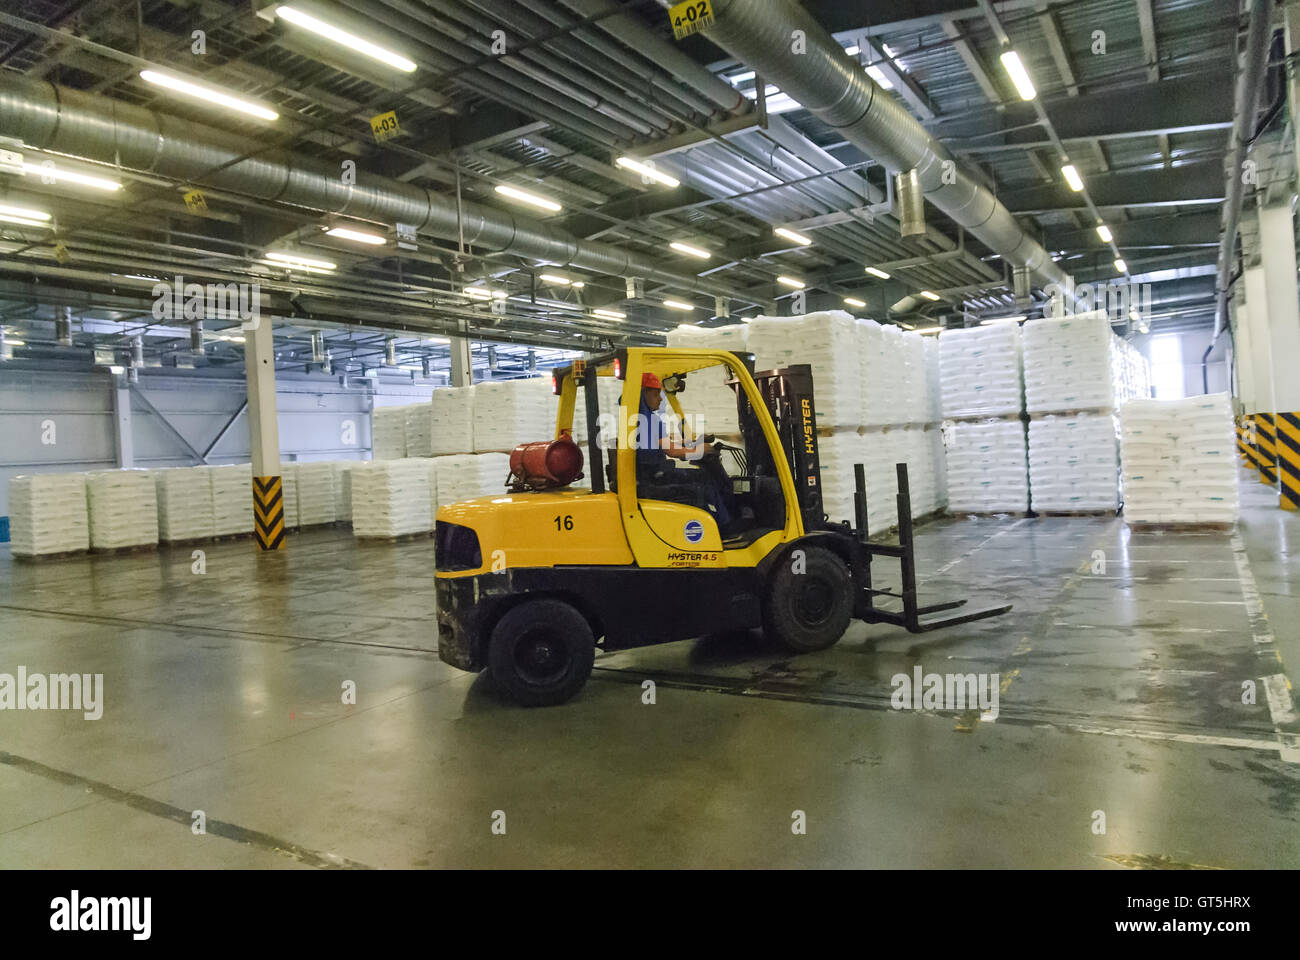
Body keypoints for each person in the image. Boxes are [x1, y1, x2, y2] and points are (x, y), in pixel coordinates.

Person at [636, 372, 735, 533]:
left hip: (649, 476)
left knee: (699, 478)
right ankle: (724, 526)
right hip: (655, 478)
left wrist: (690, 443)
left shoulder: (637, 417)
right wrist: (699, 450)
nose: (660, 399)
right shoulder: (649, 420)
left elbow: (662, 442)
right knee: (703, 480)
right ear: (643, 394)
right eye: (656, 395)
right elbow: (673, 452)